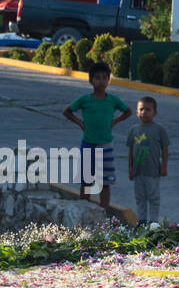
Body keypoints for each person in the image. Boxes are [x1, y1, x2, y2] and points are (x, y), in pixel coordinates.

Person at [62, 62, 131, 210]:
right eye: (97, 78)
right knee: (86, 181)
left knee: (104, 182)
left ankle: (104, 215)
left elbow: (128, 111)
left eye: (104, 78)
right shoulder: (84, 100)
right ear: (91, 80)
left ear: (108, 80)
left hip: (106, 145)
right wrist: (79, 122)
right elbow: (67, 111)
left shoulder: (112, 100)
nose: (101, 81)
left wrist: (115, 121)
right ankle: (83, 209)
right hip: (88, 143)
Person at [125, 96, 170, 228]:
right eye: (141, 109)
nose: (144, 112)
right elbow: (131, 151)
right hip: (138, 171)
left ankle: (153, 222)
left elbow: (165, 148)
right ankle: (142, 221)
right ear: (137, 112)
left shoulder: (159, 129)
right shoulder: (133, 130)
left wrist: (164, 166)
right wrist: (130, 168)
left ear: (154, 113)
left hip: (153, 171)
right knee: (140, 198)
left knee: (153, 198)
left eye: (148, 109)